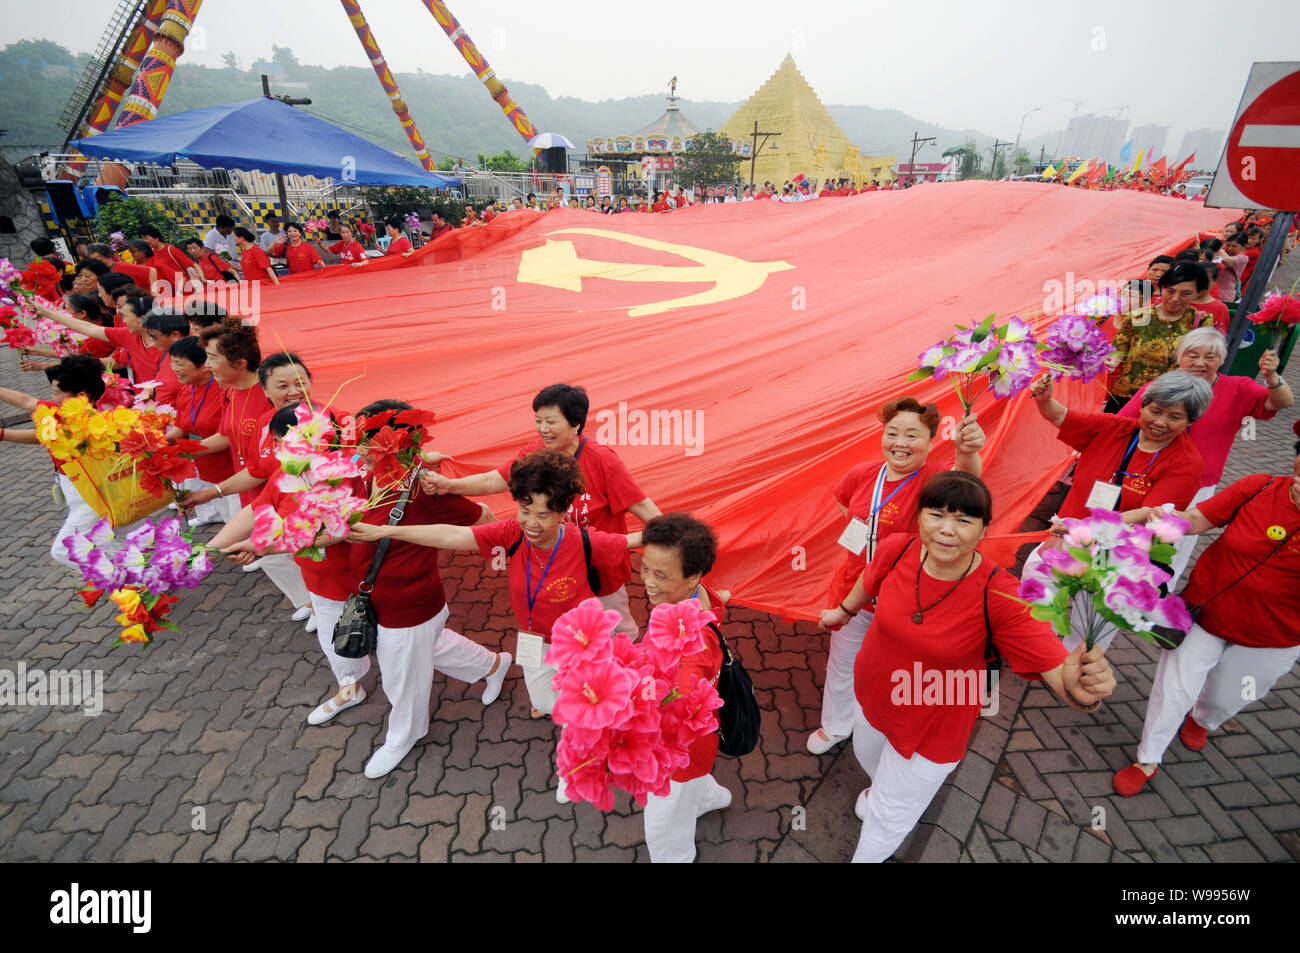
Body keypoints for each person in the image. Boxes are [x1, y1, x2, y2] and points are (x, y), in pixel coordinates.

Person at [819, 472, 1115, 862]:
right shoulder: (896, 549)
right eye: (936, 514)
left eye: (964, 520)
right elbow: (869, 581)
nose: (946, 530)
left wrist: (1081, 689)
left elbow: (1058, 670)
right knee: (869, 761)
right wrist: (842, 612)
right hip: (873, 699)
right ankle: (881, 790)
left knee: (888, 817)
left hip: (934, 727)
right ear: (919, 517)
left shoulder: (1001, 594)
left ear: (983, 529)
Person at [214, 401, 510, 748]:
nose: (356, 449)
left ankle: (404, 737)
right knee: (418, 649)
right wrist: (212, 550)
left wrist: (505, 553)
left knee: (403, 676)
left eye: (367, 442)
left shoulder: (414, 486)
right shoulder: (361, 474)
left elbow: (482, 518)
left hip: (407, 598)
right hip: (365, 591)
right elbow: (329, 525)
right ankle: (491, 666)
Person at [349, 448, 641, 786]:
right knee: (547, 702)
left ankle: (580, 754)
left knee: (582, 704)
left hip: (582, 646)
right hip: (533, 640)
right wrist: (388, 532)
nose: (531, 523)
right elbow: (454, 535)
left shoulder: (587, 542)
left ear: (563, 512)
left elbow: (634, 539)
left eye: (543, 515)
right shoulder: (512, 533)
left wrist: (677, 541)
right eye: (525, 509)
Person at [1113, 425, 1300, 796]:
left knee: (1227, 697)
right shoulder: (1261, 485)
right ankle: (1147, 758)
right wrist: (1163, 520)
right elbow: (1198, 520)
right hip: (1206, 611)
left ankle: (1204, 718)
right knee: (1174, 689)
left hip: (1275, 636)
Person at [809, 397, 986, 755]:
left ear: (931, 440)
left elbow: (967, 481)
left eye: (912, 435)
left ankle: (876, 730)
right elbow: (845, 505)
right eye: (892, 433)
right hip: (852, 591)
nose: (900, 443)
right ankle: (836, 725)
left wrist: (967, 449)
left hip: (903, 601)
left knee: (888, 671)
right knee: (842, 662)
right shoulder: (862, 473)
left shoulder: (935, 479)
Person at [421, 383, 661, 637]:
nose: (543, 429)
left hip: (598, 569)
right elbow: (496, 480)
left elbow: (642, 505)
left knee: (615, 630)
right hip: (553, 565)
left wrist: (670, 543)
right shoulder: (535, 452)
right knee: (566, 630)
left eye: (551, 421)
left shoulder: (602, 461)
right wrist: (450, 485)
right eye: (538, 421)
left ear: (576, 424)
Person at [1026, 370, 1210, 649]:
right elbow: (1061, 417)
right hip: (1066, 538)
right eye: (1155, 410)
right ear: (1144, 406)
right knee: (1035, 587)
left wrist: (1084, 528)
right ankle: (1034, 649)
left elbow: (1150, 514)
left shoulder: (1186, 463)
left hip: (1118, 557)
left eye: (1175, 417)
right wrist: (1044, 399)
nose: (1160, 422)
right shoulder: (1116, 428)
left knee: (1087, 632)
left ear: (1190, 421)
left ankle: (1074, 679)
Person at [1116, 328, 1292, 586]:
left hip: (1197, 486)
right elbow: (1120, 425)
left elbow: (1281, 402)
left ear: (1221, 360)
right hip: (1147, 478)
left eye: (1210, 357)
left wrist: (1271, 376)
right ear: (1180, 357)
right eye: (1193, 355)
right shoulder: (1161, 387)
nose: (1200, 363)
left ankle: (1156, 599)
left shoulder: (1237, 388)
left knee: (1172, 549)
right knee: (1133, 538)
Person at [635, 513, 733, 862]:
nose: (648, 581)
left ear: (694, 576)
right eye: (645, 567)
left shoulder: (692, 644)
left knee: (662, 820)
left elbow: (675, 703)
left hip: (676, 746)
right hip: (696, 745)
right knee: (690, 785)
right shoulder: (689, 600)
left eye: (661, 574)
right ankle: (710, 798)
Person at [0, 355, 110, 568]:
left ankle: (123, 581)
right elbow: (26, 401)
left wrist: (3, 434)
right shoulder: (65, 410)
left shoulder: (87, 423)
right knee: (108, 542)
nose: (53, 398)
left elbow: (41, 437)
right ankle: (138, 582)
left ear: (81, 396)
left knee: (63, 550)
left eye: (57, 393)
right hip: (77, 488)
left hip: (90, 492)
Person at [1104, 262, 1216, 412]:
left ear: (1197, 293)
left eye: (1185, 293)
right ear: (1161, 288)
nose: (1175, 298)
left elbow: (1203, 360)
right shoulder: (1138, 317)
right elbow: (1118, 350)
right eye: (1170, 291)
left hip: (1170, 400)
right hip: (1127, 395)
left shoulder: (1201, 321)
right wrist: (1110, 362)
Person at [34, 293, 182, 405]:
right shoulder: (130, 336)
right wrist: (47, 313)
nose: (122, 321)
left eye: (125, 316)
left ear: (141, 319)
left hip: (172, 405)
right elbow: (88, 328)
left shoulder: (170, 343)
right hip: (145, 405)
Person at [164, 335, 237, 527]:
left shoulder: (224, 389)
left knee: (240, 521)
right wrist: (157, 443)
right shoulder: (187, 390)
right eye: (172, 363)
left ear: (204, 365)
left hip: (231, 470)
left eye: (179, 363)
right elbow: (182, 426)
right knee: (228, 518)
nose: (174, 369)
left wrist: (184, 449)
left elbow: (228, 435)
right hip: (207, 468)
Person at [138, 225, 203, 290]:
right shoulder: (151, 254)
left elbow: (194, 265)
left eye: (146, 238)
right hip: (168, 289)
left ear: (156, 237)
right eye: (142, 239)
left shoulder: (171, 250)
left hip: (184, 287)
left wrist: (202, 278)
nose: (145, 241)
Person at [20, 237, 67, 302]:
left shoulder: (33, 269)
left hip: (44, 304)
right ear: (53, 249)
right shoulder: (65, 264)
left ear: (36, 253)